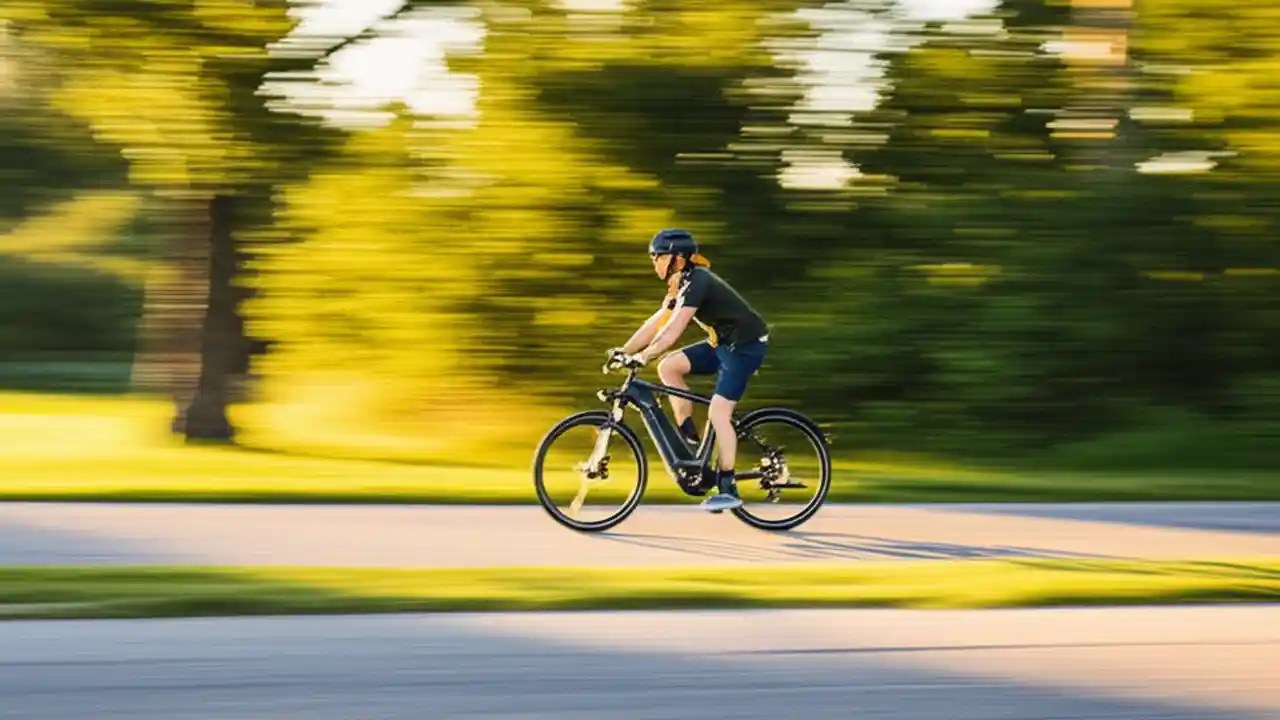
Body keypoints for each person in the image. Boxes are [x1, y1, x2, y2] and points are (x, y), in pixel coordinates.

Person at [610, 229, 770, 512]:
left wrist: (643, 356)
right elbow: (656, 322)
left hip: (745, 347)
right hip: (722, 343)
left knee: (719, 413)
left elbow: (672, 331)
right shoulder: (680, 284)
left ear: (678, 258)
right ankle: (689, 435)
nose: (654, 263)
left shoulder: (699, 281)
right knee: (669, 366)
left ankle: (728, 486)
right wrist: (625, 351)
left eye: (658, 257)